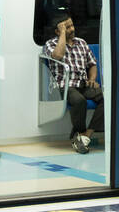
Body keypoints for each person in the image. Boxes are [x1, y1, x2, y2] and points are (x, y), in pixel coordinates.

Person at [43, 9, 104, 153]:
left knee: (106, 99)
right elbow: (57, 55)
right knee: (79, 100)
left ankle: (85, 136)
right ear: (57, 31)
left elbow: (92, 64)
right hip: (65, 86)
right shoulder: (50, 44)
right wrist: (63, 34)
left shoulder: (82, 43)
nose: (71, 29)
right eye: (66, 27)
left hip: (83, 83)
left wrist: (92, 79)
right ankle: (79, 133)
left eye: (71, 25)